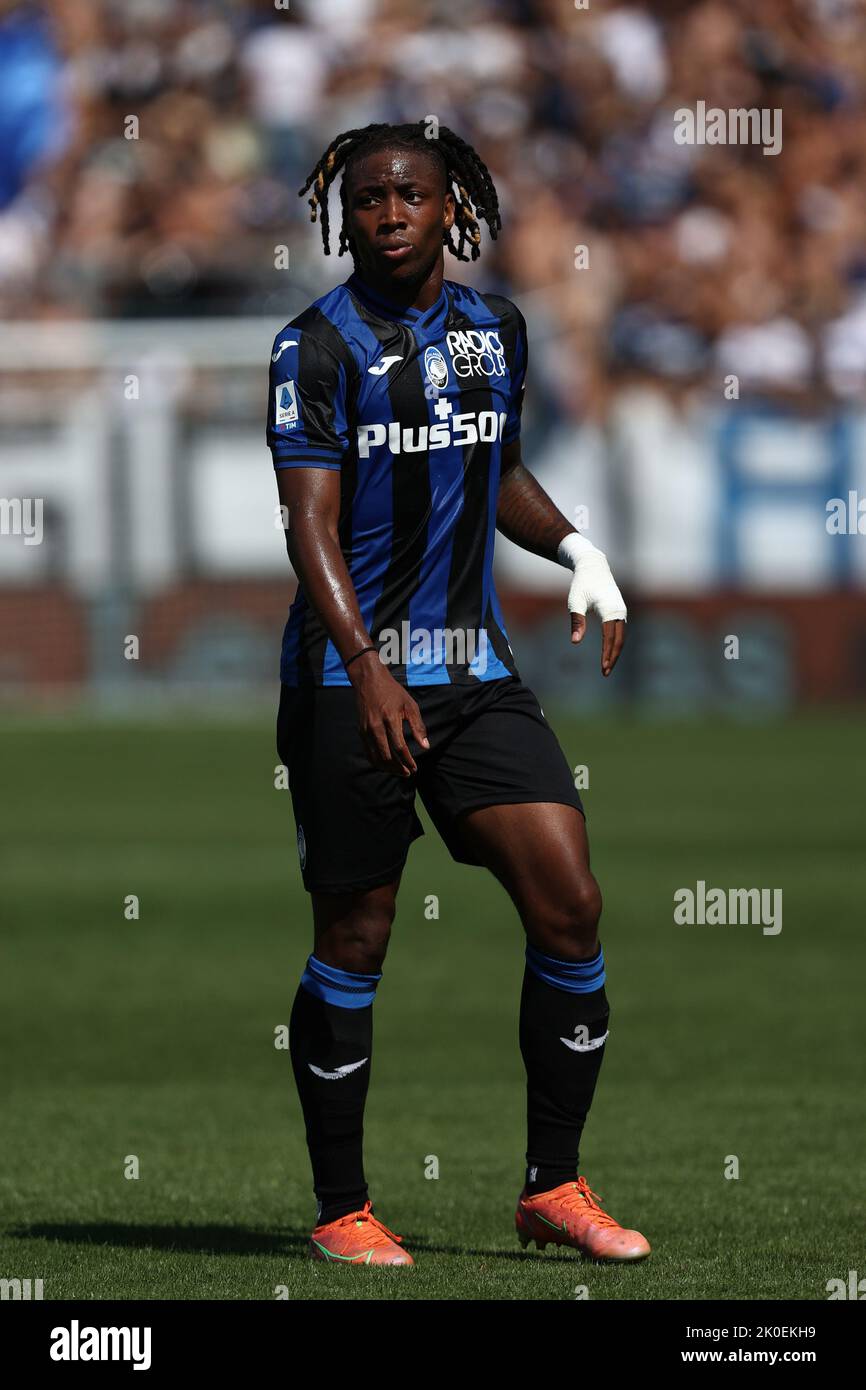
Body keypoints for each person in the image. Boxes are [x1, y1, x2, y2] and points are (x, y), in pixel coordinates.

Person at [267, 120, 649, 1266]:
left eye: (410, 197)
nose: (389, 215)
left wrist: (576, 545)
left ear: (452, 211)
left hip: (474, 672)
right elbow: (308, 524)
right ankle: (342, 1209)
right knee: (358, 929)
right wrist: (369, 665)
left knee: (569, 900)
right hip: (349, 681)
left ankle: (553, 1185)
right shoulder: (313, 348)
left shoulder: (495, 329)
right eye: (370, 198)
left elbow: (501, 469)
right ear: (345, 215)